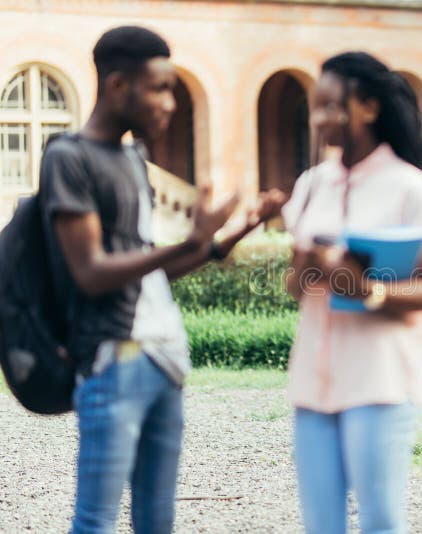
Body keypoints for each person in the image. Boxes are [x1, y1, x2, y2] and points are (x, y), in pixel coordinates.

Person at [38, 26, 285, 532]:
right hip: (115, 359)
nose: (170, 103)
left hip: (164, 359)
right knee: (95, 521)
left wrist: (226, 238)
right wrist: (191, 240)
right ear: (117, 86)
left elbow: (149, 271)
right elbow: (91, 273)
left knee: (157, 520)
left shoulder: (134, 159)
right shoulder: (69, 158)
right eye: (159, 89)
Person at [281, 51, 422, 533]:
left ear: (370, 108)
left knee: (380, 522)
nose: (321, 119)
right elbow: (296, 288)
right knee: (321, 525)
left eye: (333, 106)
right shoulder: (312, 185)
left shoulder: (410, 187)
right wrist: (307, 265)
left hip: (381, 378)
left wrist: (367, 289)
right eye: (316, 107)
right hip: (313, 379)